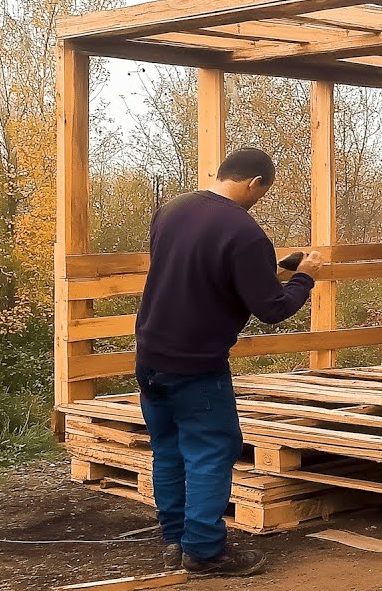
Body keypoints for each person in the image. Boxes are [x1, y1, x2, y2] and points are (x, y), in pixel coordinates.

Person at [134, 147, 322, 577]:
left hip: (150, 357)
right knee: (210, 452)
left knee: (168, 450)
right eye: (263, 192)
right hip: (196, 364)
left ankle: (176, 541)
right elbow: (273, 308)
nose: (260, 199)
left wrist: (272, 267)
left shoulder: (171, 210)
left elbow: (201, 269)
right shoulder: (245, 232)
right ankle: (203, 552)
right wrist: (305, 276)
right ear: (256, 183)